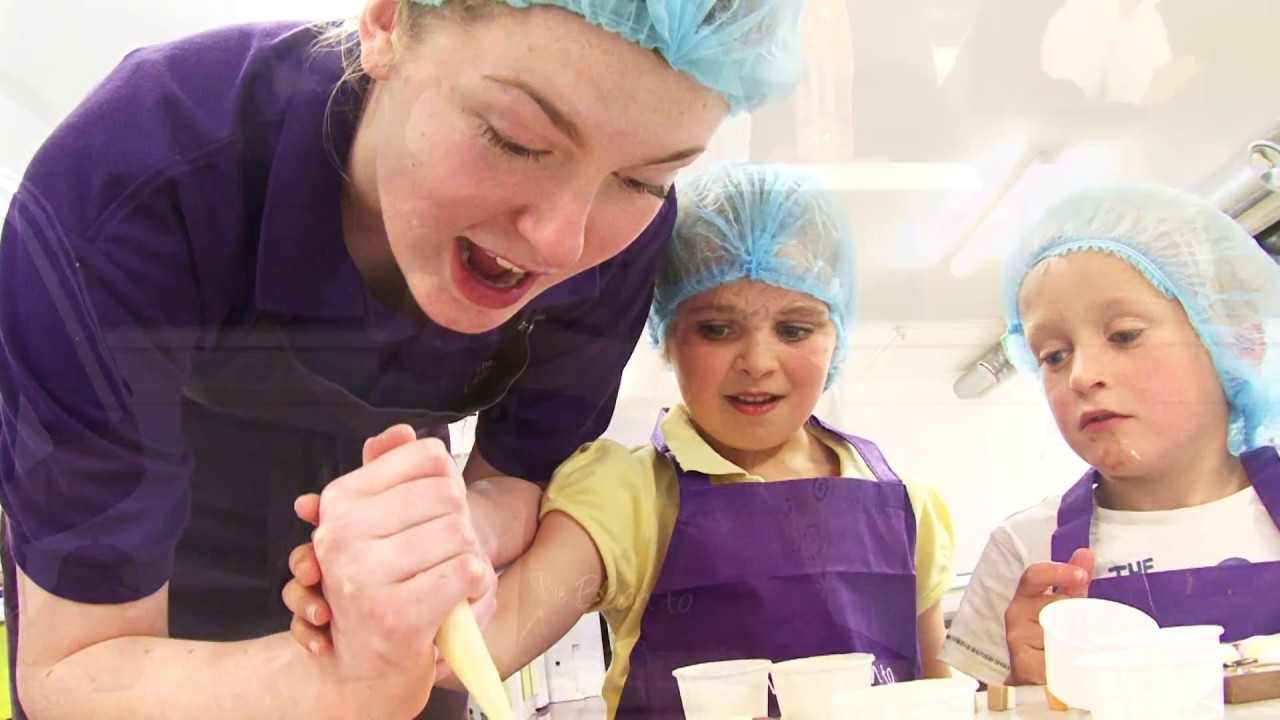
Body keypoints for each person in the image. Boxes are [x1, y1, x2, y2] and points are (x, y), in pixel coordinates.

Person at [0, 1, 808, 717]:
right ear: (388, 22)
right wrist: (342, 686)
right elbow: (73, 670)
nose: (565, 241)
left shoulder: (622, 248)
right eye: (515, 139)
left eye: (642, 178)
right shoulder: (136, 184)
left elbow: (514, 477)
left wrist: (453, 538)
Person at [283, 161, 958, 718]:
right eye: (716, 328)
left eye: (795, 328)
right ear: (666, 334)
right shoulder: (627, 494)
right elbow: (492, 639)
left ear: (838, 331)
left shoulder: (908, 510)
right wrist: (394, 589)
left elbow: (937, 689)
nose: (757, 361)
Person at [940, 183, 1280, 687]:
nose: (1081, 375)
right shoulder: (1025, 550)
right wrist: (1022, 688)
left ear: (1236, 339)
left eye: (1123, 335)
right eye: (1054, 355)